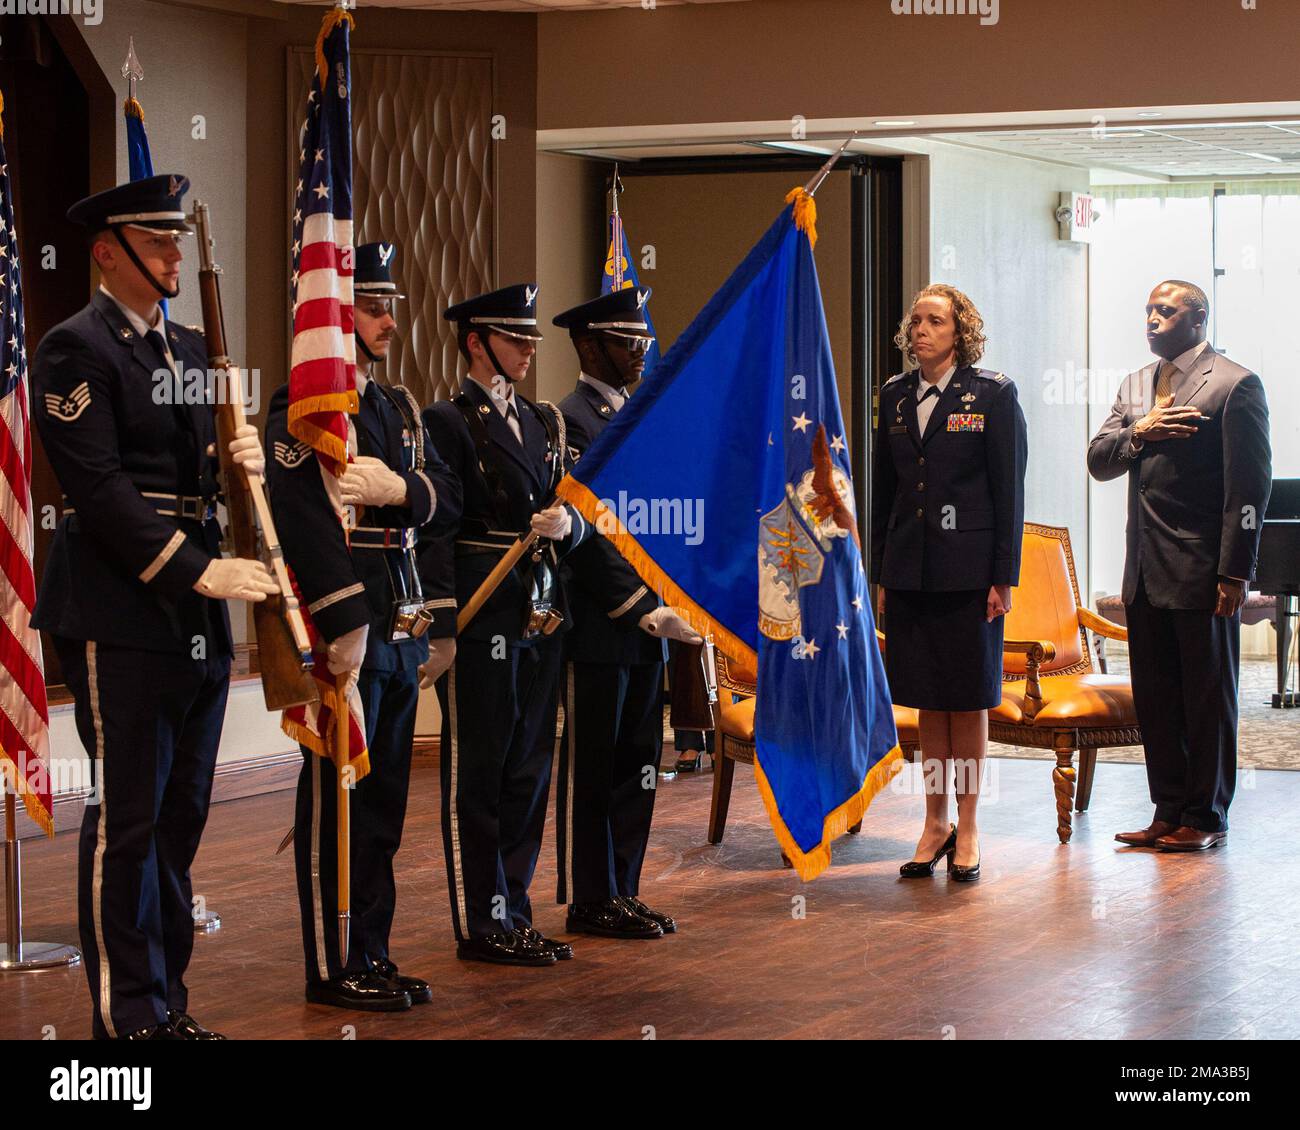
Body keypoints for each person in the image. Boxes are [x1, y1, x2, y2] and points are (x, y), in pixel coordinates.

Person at [32, 174, 275, 1040]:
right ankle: (126, 1016)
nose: (176, 254)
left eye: (178, 239)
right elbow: (99, 490)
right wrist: (197, 573)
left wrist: (238, 457)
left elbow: (194, 470)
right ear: (109, 252)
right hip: (119, 608)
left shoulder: (193, 350)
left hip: (195, 614)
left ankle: (169, 1003)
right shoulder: (75, 349)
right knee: (128, 821)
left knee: (180, 819)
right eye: (158, 240)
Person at [266, 240, 460, 1011]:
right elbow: (300, 519)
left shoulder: (395, 407)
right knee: (337, 801)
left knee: (382, 809)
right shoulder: (302, 407)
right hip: (346, 624)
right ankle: (332, 961)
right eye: (373, 307)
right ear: (334, 314)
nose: (388, 321)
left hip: (400, 622)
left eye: (390, 308)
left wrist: (402, 489)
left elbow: (445, 498)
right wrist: (341, 621)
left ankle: (371, 950)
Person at [420, 284, 590, 967]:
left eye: (530, 340)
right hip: (481, 606)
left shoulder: (545, 422)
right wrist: (439, 622)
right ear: (476, 343)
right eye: (514, 339)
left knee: (529, 768)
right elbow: (436, 529)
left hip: (540, 607)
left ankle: (515, 910)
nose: (527, 350)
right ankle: (484, 922)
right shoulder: (446, 421)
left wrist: (570, 526)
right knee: (482, 769)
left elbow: (577, 506)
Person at [1088, 280, 1271, 852]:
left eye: (1165, 311)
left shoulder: (1234, 384)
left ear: (1198, 318)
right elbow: (1099, 460)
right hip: (1144, 573)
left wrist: (1235, 573)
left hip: (1203, 571)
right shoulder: (1136, 386)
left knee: (1206, 700)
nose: (1152, 319)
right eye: (1148, 310)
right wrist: (1138, 432)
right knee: (1158, 700)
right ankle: (1167, 811)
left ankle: (1207, 817)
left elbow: (1249, 489)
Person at [552, 288, 702, 940]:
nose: (642, 351)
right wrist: (640, 607)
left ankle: (625, 887)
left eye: (642, 340)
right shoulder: (571, 422)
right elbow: (590, 535)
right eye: (626, 341)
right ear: (589, 346)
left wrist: (673, 597)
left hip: (650, 622)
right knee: (596, 763)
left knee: (641, 760)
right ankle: (592, 897)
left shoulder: (640, 416)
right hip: (601, 620)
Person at [870, 283, 1027, 884]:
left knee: (967, 701)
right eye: (915, 321)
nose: (920, 330)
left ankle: (970, 824)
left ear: (960, 332)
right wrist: (882, 572)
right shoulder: (894, 394)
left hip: (970, 575)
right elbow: (885, 492)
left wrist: (1003, 577)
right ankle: (935, 822)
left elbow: (1009, 492)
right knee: (928, 703)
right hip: (910, 572)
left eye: (934, 321)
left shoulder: (992, 393)